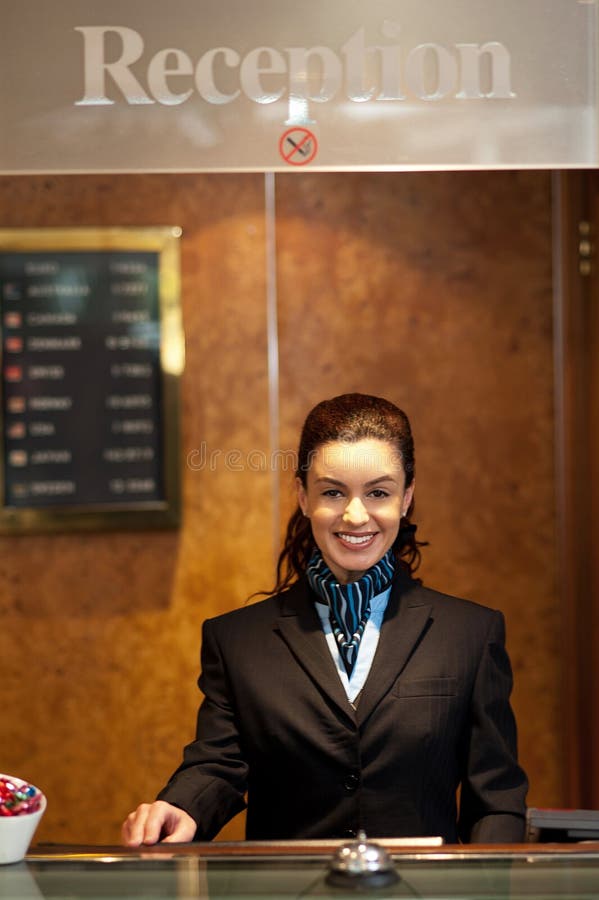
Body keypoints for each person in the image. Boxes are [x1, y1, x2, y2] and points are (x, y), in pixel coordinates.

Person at [122, 393, 528, 846]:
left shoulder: (470, 635)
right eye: (333, 492)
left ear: (407, 497)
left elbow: (496, 800)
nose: (355, 515)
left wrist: (490, 875)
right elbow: (217, 765)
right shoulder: (235, 641)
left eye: (378, 492)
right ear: (303, 496)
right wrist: (179, 807)